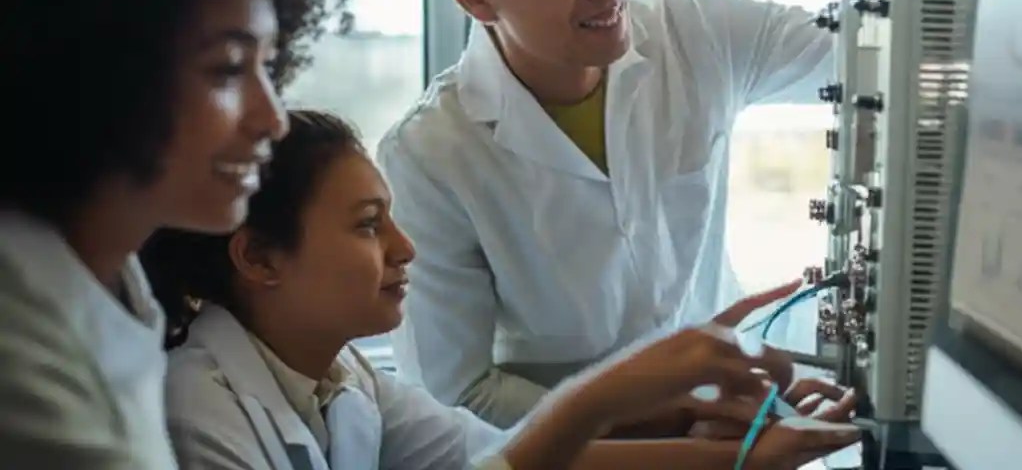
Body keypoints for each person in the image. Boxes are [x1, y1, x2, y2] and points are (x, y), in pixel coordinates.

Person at [378, 0, 1022, 429]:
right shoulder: (428, 158)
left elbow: (908, 46)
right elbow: (456, 396)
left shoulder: (697, 33)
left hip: (736, 426)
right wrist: (661, 421)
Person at [0, 0, 367, 468]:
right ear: (94, 62)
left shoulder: (111, 279)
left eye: (268, 65)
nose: (272, 119)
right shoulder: (18, 353)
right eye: (229, 69)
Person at [145, 110, 860, 469]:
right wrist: (616, 392)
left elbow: (522, 454)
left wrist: (727, 441)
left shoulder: (344, 378)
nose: (406, 248)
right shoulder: (200, 412)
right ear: (261, 259)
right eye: (368, 227)